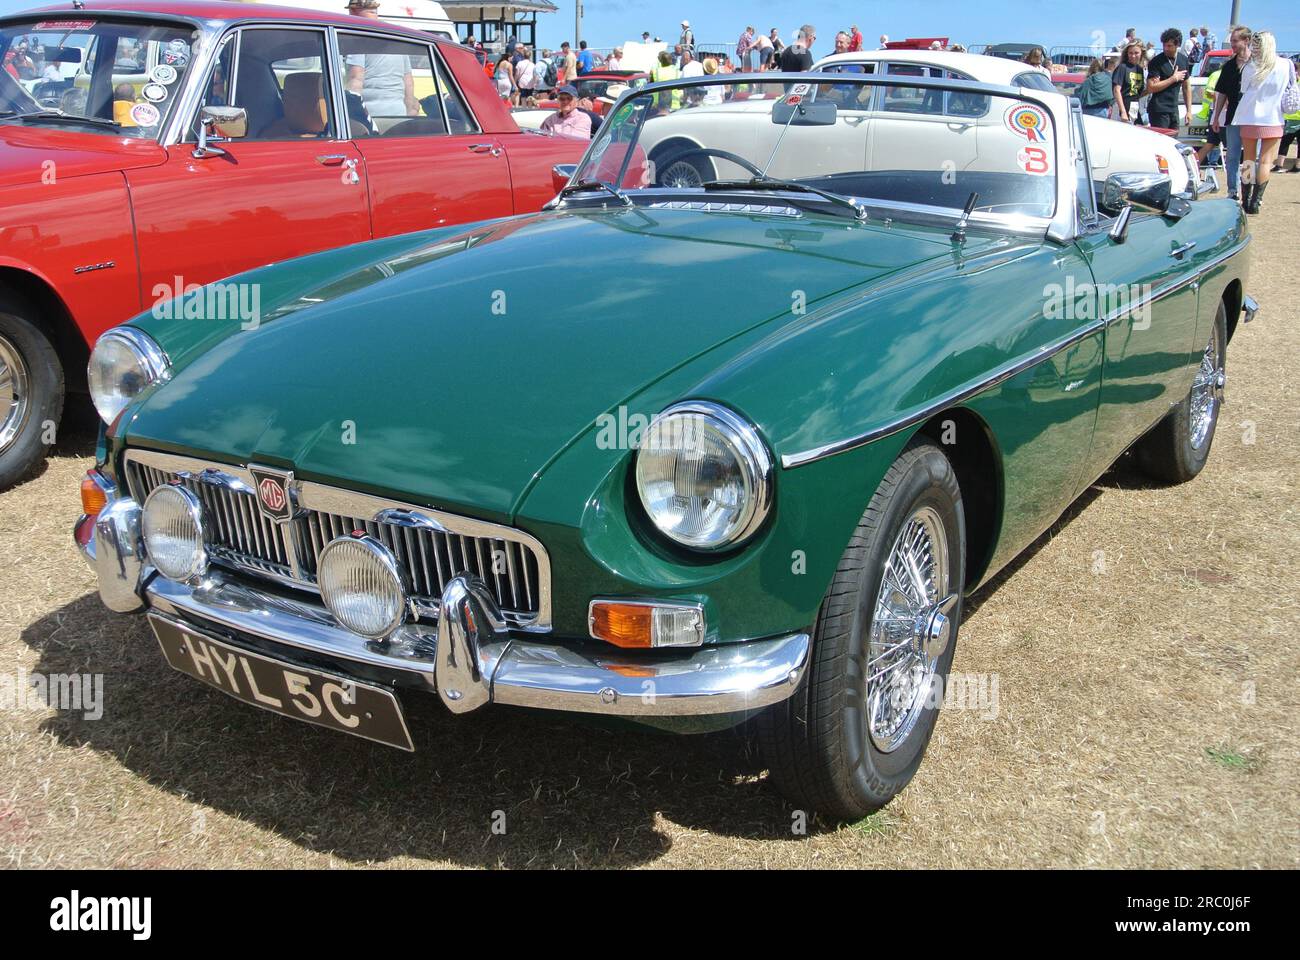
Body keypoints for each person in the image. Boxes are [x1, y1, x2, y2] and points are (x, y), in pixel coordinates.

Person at [1233, 31, 1297, 213]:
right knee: (1266, 161)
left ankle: (1245, 200)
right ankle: (1256, 202)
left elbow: (1243, 89)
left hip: (1249, 116)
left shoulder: (1250, 66)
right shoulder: (1286, 65)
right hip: (1273, 117)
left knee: (1248, 160)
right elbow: (1290, 87)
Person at [345, 0, 419, 119]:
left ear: (353, 10)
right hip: (398, 111)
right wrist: (409, 111)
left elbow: (356, 79)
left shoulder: (359, 35)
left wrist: (350, 113)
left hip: (371, 113)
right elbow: (408, 81)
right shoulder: (395, 35)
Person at [1211, 26, 1253, 201]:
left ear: (1246, 41)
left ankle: (1249, 192)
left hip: (1252, 118)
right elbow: (1222, 93)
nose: (1233, 45)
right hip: (1233, 117)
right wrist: (1216, 116)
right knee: (1232, 156)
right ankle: (1233, 191)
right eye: (1232, 41)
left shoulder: (1257, 65)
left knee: (1251, 158)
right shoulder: (1228, 66)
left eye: (1235, 41)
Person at [1145, 28, 1192, 131]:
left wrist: (1189, 111)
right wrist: (1173, 79)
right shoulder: (1156, 61)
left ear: (1177, 45)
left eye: (1169, 46)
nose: (1166, 48)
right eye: (1164, 45)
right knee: (1161, 143)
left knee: (1174, 142)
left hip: (1174, 109)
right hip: (1159, 110)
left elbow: (1186, 87)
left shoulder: (1183, 60)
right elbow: (1151, 87)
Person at [1112, 41, 1146, 123]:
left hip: (1134, 107)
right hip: (1122, 106)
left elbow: (1136, 92)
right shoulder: (1122, 67)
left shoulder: (1139, 69)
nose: (1133, 56)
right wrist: (1123, 112)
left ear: (1141, 53)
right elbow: (1116, 90)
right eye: (1130, 53)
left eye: (1136, 53)